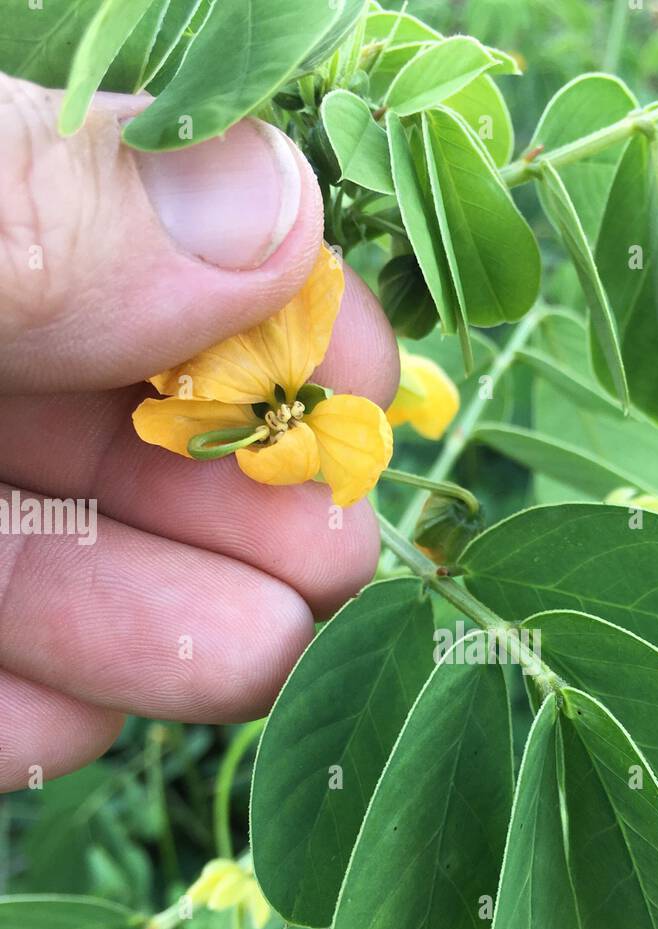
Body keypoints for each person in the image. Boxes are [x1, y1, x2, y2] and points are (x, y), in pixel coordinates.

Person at [0, 74, 400, 793]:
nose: (282, 426)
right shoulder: (260, 373)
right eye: (280, 420)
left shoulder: (327, 413)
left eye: (283, 418)